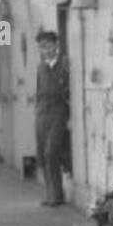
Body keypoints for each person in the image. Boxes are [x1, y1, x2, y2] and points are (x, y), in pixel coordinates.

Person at [34, 30, 70, 207]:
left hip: (58, 113)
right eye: (42, 47)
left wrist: (69, 117)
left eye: (48, 46)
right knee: (42, 155)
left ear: (56, 45)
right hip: (42, 114)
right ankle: (51, 195)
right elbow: (39, 91)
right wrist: (37, 114)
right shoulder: (41, 67)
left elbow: (69, 92)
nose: (45, 50)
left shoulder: (64, 65)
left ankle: (56, 196)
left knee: (51, 153)